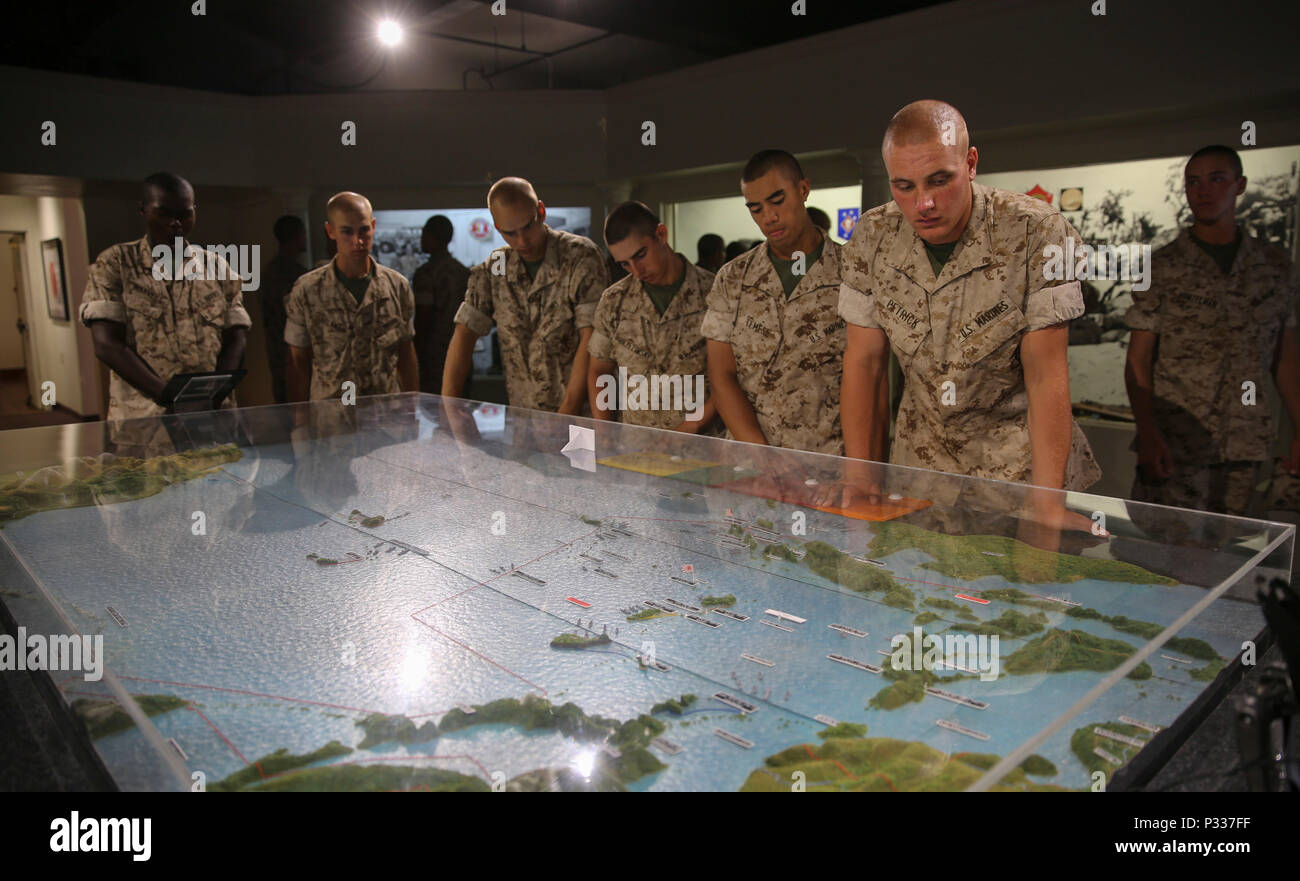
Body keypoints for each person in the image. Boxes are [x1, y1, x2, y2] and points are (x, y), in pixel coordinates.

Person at [839, 100, 1100, 500]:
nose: (923, 204)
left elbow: (1046, 376)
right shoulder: (873, 237)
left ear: (971, 162)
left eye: (939, 180)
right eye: (904, 186)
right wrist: (859, 479)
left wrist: (1047, 505)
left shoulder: (1037, 232)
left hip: (1017, 475)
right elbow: (863, 363)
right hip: (920, 471)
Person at [1125, 144, 1300, 517]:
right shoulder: (1162, 267)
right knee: (1161, 554)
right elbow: (1138, 359)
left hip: (1244, 442)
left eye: (1216, 179)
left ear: (1239, 185)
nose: (1203, 191)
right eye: (1193, 182)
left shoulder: (1274, 267)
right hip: (1176, 443)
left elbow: (1284, 357)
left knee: (1232, 554)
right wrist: (1148, 432)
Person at [701, 149, 846, 455]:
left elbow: (871, 379)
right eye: (755, 209)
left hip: (827, 464)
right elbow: (721, 375)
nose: (769, 217)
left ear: (803, 190)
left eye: (777, 200)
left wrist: (857, 474)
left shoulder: (852, 271)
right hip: (750, 465)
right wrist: (763, 457)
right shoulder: (733, 278)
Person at [80, 172, 249, 421]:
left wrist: (211, 396)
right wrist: (174, 399)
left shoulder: (217, 267)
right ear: (144, 210)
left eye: (184, 214)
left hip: (211, 417)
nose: (175, 223)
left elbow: (236, 337)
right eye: (164, 213)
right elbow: (107, 344)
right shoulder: (115, 264)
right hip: (146, 420)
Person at [442, 177, 608, 414]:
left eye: (528, 227)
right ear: (497, 227)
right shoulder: (496, 268)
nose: (522, 241)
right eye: (510, 233)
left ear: (541, 211)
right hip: (523, 420)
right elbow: (464, 333)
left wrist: (567, 411)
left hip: (577, 415)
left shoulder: (580, 257)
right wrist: (450, 408)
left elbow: (591, 338)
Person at [587, 201, 718, 433]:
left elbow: (731, 378)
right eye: (625, 264)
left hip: (702, 446)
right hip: (636, 449)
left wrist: (693, 426)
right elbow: (599, 370)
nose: (637, 271)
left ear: (661, 234)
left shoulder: (714, 294)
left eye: (640, 255)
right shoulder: (614, 301)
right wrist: (603, 429)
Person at [284, 191, 418, 402]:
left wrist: (412, 408)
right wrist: (299, 421)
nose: (358, 241)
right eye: (347, 231)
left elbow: (405, 353)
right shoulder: (307, 290)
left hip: (385, 417)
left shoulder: (396, 286)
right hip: (330, 418)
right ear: (331, 231)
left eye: (364, 230)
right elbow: (298, 361)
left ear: (373, 226)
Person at [411, 215, 470, 395]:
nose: (421, 239)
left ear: (433, 237)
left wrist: (416, 353)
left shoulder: (426, 274)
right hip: (462, 353)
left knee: (436, 410)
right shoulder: (463, 272)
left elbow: (423, 317)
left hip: (434, 356)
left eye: (425, 234)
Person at [261, 215, 308, 404]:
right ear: (297, 236)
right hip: (291, 352)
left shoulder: (271, 271)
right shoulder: (295, 277)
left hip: (280, 352)